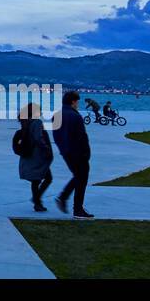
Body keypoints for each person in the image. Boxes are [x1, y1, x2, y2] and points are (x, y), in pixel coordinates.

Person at [53, 90, 94, 219]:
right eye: (77, 102)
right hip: (78, 153)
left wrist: (62, 150)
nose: (78, 105)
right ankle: (77, 209)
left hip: (66, 152)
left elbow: (56, 136)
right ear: (73, 101)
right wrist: (86, 154)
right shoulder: (75, 116)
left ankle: (64, 198)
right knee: (81, 179)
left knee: (78, 176)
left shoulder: (56, 115)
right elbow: (82, 137)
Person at [16, 102, 54, 211]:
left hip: (30, 154)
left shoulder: (26, 122)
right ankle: (37, 201)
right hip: (38, 155)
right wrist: (46, 148)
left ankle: (37, 201)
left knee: (36, 180)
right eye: (40, 110)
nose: (41, 112)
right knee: (45, 179)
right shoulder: (36, 122)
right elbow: (38, 138)